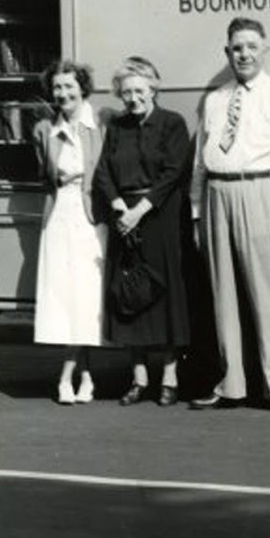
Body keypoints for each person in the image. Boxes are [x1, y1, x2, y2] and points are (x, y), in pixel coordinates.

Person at [189, 17, 270, 413]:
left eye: (252, 46)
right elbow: (200, 162)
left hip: (261, 191)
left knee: (266, 294)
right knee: (223, 294)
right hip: (218, 193)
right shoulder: (216, 99)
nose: (244, 54)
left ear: (264, 49)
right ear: (227, 52)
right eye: (237, 48)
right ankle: (231, 383)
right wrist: (196, 214)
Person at [93, 56, 191, 406]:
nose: (133, 98)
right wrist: (119, 206)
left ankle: (169, 376)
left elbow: (173, 172)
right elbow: (103, 170)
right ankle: (138, 378)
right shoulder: (118, 127)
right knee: (129, 297)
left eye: (139, 90)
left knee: (164, 298)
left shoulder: (172, 124)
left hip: (159, 218)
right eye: (126, 92)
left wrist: (140, 210)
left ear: (154, 88)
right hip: (125, 219)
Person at [32, 59, 107, 404]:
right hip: (59, 216)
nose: (62, 93)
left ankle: (66, 376)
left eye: (69, 86)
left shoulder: (101, 124)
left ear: (83, 88)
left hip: (90, 219)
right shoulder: (44, 129)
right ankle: (87, 376)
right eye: (57, 87)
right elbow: (45, 178)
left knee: (87, 298)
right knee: (64, 298)